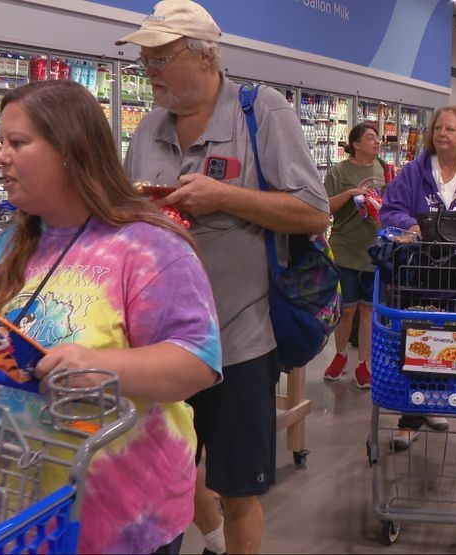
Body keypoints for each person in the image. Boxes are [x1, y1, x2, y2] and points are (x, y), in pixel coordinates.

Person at [0, 79, 223, 554]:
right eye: (0, 142)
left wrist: (98, 365)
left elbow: (197, 362)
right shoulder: (11, 241)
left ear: (70, 151)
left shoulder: (149, 247)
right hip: (12, 504)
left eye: (17, 142)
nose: (0, 156)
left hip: (114, 514)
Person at [118, 2, 330, 553]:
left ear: (206, 56)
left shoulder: (261, 111)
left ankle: (223, 535)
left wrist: (224, 197)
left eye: (161, 58)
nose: (150, 70)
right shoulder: (148, 127)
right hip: (161, 347)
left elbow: (313, 212)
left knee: (239, 491)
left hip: (240, 343)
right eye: (145, 59)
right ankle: (209, 537)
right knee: (162, 480)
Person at [379, 105, 456, 446]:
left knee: (449, 339)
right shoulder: (414, 172)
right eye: (438, 128)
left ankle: (432, 400)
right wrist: (412, 225)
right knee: (415, 338)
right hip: (416, 273)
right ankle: (410, 417)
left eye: (450, 129)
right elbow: (391, 209)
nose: (442, 134)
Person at [322, 122, 384, 388]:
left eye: (378, 138)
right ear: (355, 144)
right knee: (346, 310)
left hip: (374, 250)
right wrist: (349, 194)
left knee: (368, 310)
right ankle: (340, 355)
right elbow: (325, 207)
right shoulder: (339, 172)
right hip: (345, 249)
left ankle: (364, 364)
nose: (377, 141)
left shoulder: (383, 169)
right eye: (370, 137)